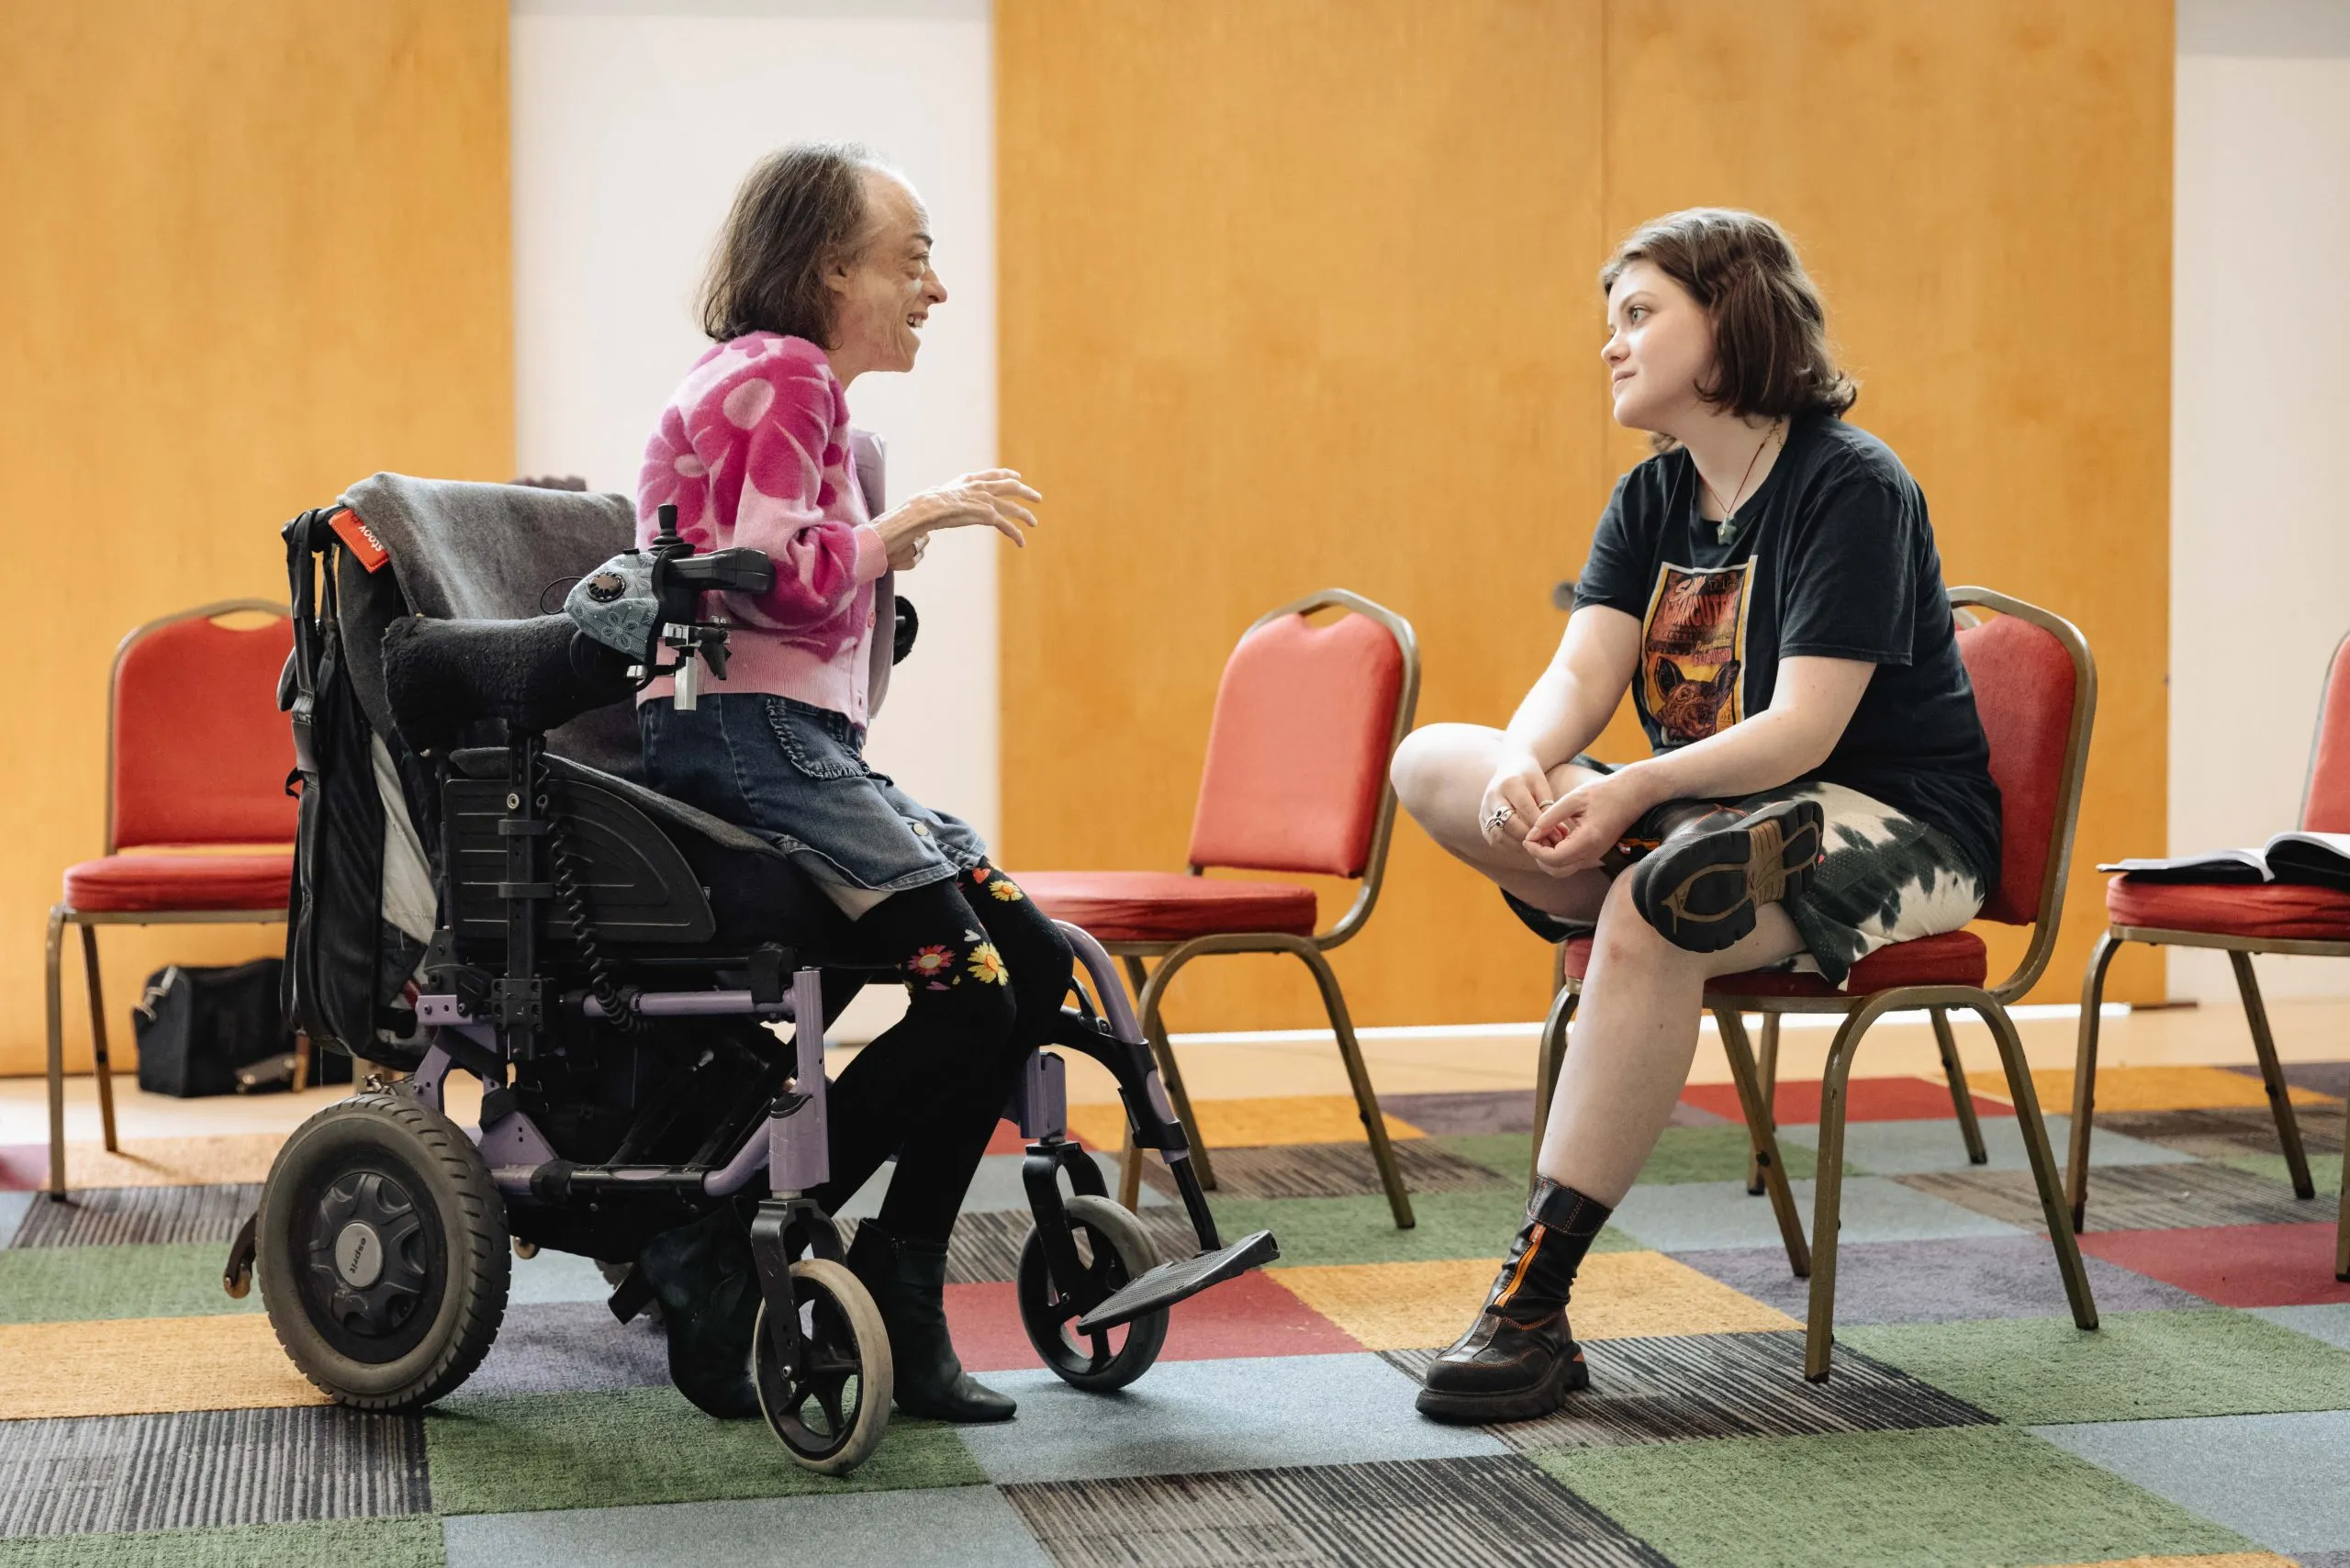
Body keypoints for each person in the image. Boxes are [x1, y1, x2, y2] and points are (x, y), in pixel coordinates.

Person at [1389, 208, 1999, 1425]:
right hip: (1714, 816)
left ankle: (1532, 1302)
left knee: (1660, 897)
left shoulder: (1850, 485)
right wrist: (1527, 760)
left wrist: (1638, 788)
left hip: (1897, 819)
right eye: (1609, 322)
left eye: (1638, 315)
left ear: (1729, 323)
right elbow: (1580, 675)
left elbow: (1807, 728)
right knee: (1432, 762)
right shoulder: (1651, 494)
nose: (1610, 346)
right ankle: (1656, 862)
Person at [632, 142, 1070, 1424]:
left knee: (1025, 965)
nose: (934, 288)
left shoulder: (786, 386)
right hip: (746, 738)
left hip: (791, 743)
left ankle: (900, 1277)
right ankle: (742, 1239)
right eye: (913, 257)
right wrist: (908, 523)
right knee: (978, 984)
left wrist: (885, 535)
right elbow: (776, 572)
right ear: (830, 267)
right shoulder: (781, 373)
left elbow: (784, 569)